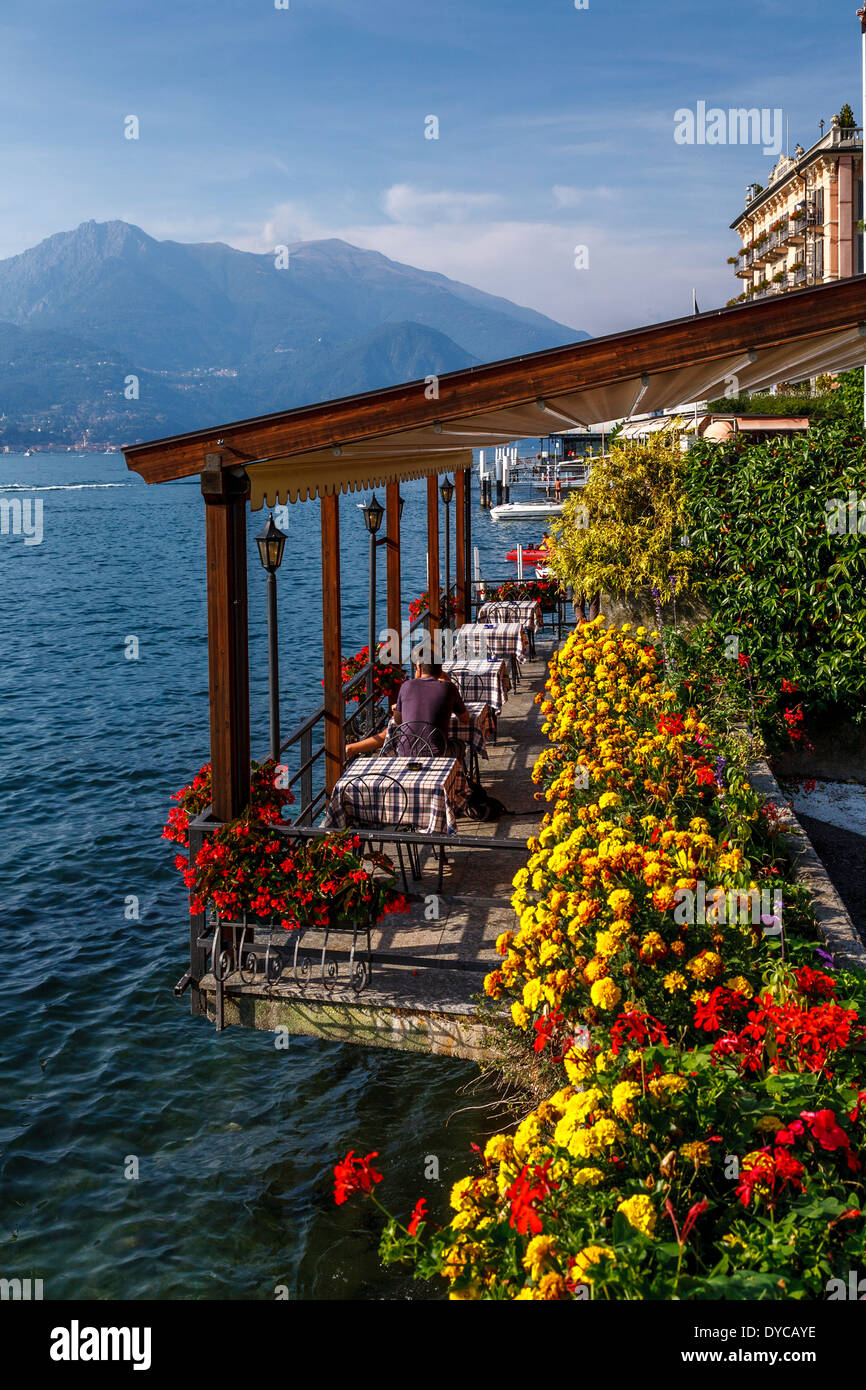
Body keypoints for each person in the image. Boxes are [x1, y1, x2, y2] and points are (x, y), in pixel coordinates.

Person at [344, 659, 468, 761]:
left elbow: (398, 721)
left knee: (392, 733)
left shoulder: (406, 686)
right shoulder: (449, 688)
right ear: (441, 670)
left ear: (419, 669)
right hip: (437, 754)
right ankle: (457, 785)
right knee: (460, 746)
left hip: (405, 752)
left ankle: (352, 749)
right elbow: (465, 720)